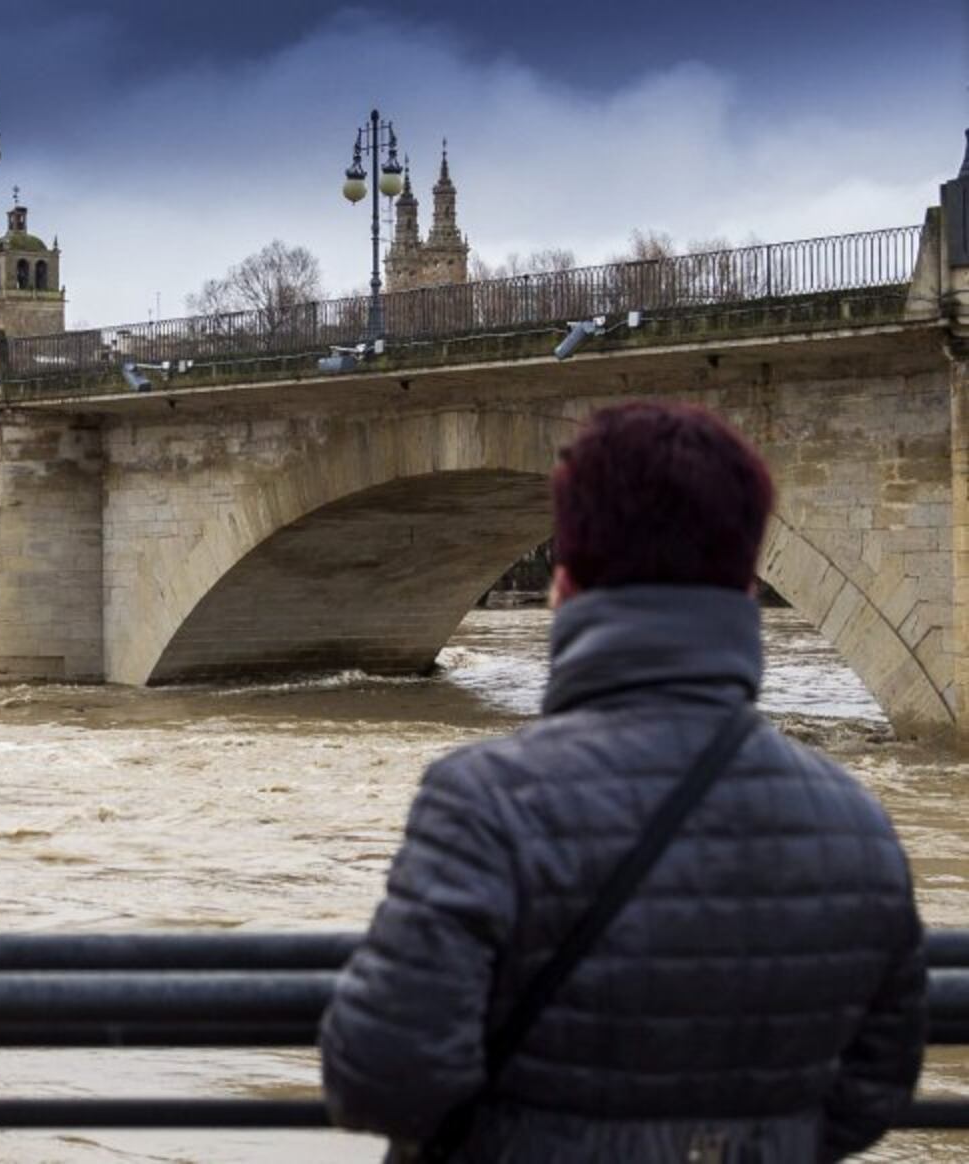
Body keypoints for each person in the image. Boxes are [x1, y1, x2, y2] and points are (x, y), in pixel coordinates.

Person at [319, 402, 925, 1161]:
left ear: (564, 588)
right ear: (746, 591)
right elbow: (878, 1085)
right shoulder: (859, 822)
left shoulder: (483, 803)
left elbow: (379, 1078)